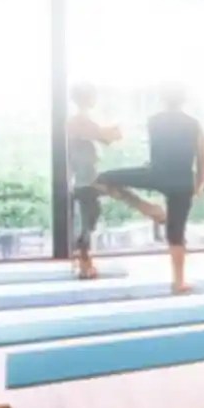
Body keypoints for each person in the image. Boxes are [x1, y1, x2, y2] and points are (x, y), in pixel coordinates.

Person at [96, 84, 204, 293]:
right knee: (176, 231)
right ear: (184, 100)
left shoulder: (153, 121)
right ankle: (179, 281)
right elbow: (203, 153)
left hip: (156, 174)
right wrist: (200, 182)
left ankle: (146, 207)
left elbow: (159, 150)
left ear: (162, 100)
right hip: (183, 179)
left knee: (102, 179)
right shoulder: (194, 124)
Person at [66, 83, 143, 279]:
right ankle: (84, 262)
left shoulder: (82, 121)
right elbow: (107, 136)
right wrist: (111, 131)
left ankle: (84, 260)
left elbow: (106, 137)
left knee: (90, 221)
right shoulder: (78, 121)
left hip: (90, 178)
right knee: (88, 223)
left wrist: (108, 133)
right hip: (86, 181)